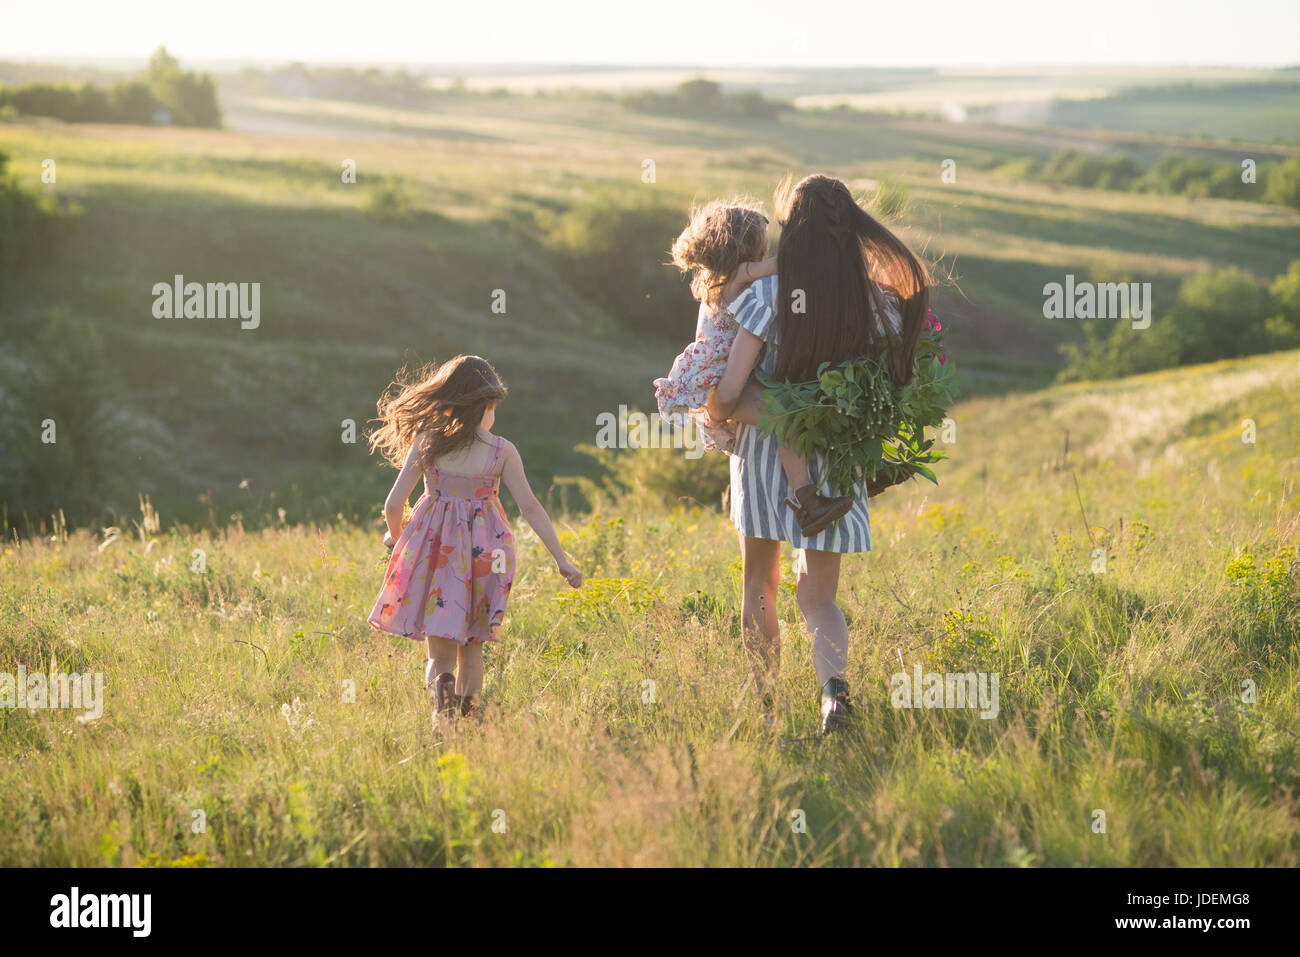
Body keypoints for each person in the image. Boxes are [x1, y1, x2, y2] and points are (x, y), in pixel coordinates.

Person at [706, 174, 933, 734]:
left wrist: (710, 408)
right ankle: (834, 696)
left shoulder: (764, 299)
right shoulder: (877, 305)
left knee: (760, 583)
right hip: (838, 456)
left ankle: (763, 708)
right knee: (819, 598)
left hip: (763, 460)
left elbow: (731, 392)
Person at [367, 354, 583, 731]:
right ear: (487, 405)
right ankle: (468, 721)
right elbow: (530, 507)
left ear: (449, 402)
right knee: (473, 647)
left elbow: (392, 504)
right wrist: (562, 560)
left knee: (440, 655)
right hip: (489, 556)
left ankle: (443, 722)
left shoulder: (428, 443)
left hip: (438, 559)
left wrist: (402, 543)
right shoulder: (502, 451)